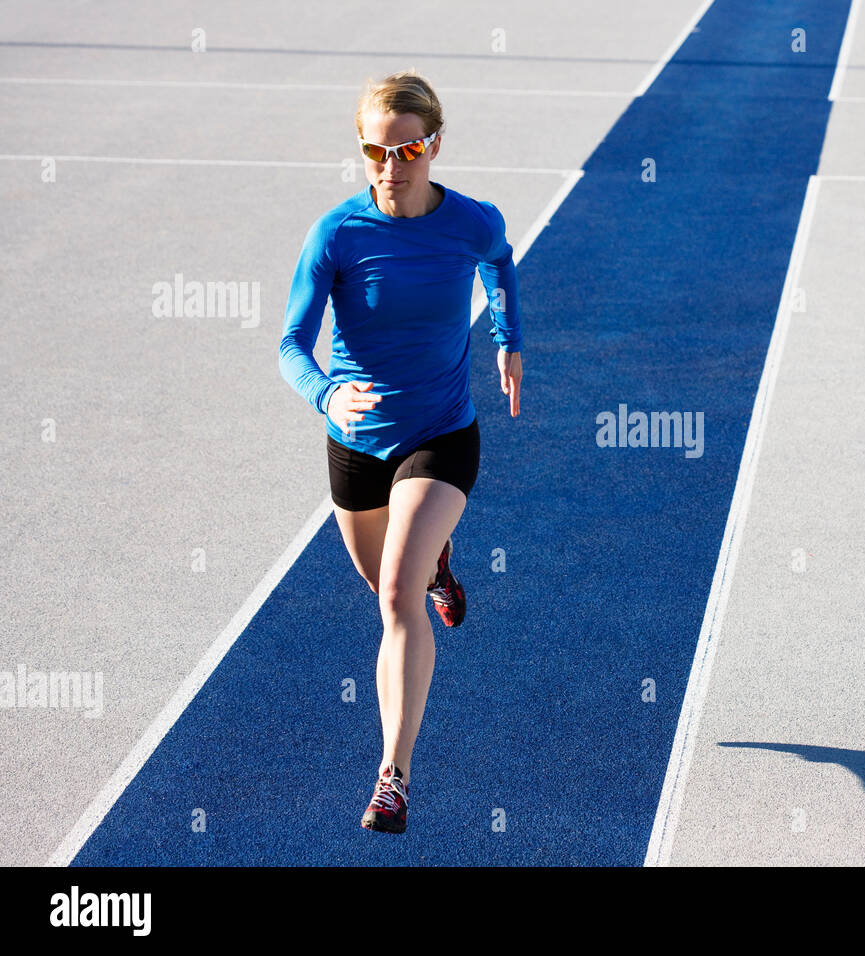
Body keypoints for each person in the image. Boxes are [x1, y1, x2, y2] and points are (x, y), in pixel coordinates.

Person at [278, 69, 522, 834]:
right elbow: (290, 343)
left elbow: (501, 261)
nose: (392, 167)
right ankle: (441, 562)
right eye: (375, 152)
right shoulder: (337, 235)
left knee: (395, 598)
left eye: (408, 149)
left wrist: (509, 341)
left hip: (442, 433)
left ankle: (393, 775)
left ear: (435, 144)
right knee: (380, 577)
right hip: (356, 442)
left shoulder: (468, 221)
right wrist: (324, 393)